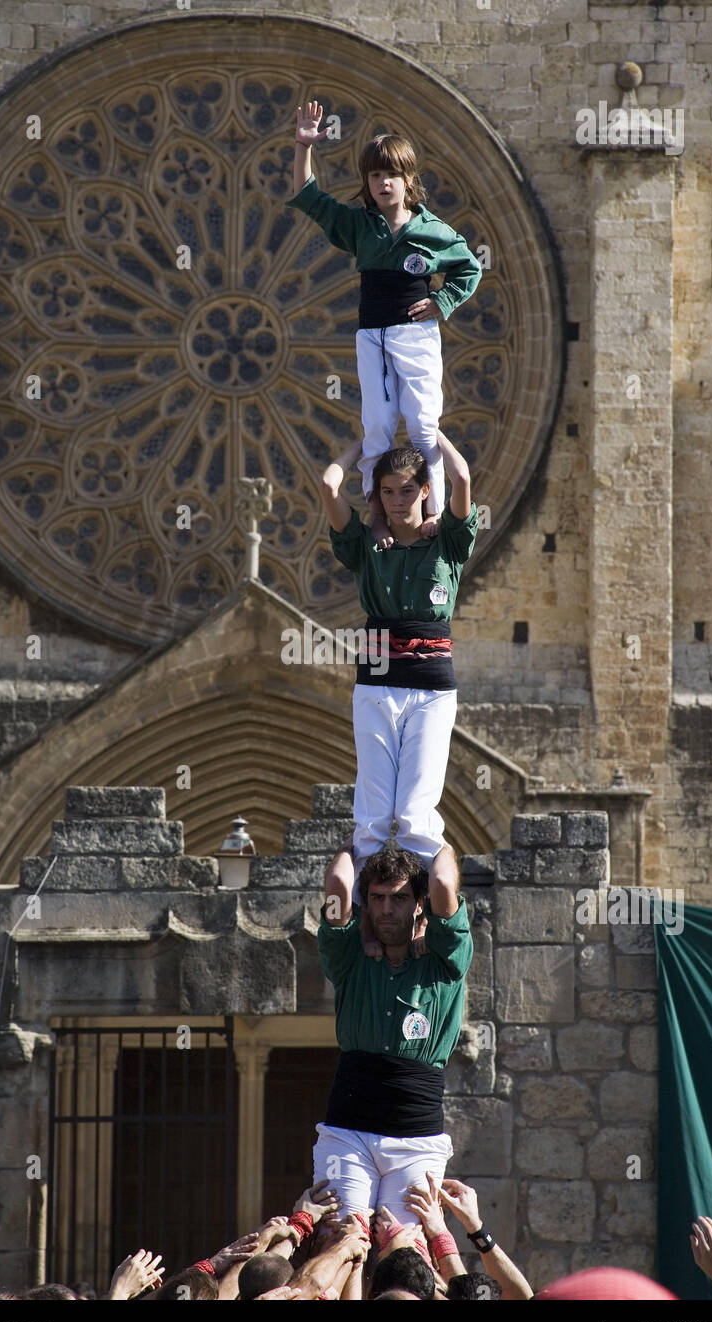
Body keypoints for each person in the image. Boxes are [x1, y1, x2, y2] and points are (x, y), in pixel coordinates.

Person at [288, 102, 481, 545]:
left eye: (391, 175)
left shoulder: (434, 231)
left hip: (415, 335)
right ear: (367, 183)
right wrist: (303, 146)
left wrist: (443, 300)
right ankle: (375, 512)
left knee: (422, 423)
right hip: (371, 335)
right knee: (376, 424)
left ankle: (432, 510)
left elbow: (469, 268)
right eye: (375, 176)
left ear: (409, 180)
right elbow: (309, 198)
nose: (382, 183)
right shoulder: (361, 226)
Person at [319, 430, 478, 895]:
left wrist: (429, 430)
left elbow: (462, 475)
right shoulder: (366, 548)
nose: (397, 500)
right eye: (387, 491)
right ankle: (363, 914)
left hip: (431, 692)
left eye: (407, 489)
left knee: (414, 814)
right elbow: (329, 486)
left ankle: (433, 913)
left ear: (425, 490)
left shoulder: (447, 543)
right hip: (375, 687)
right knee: (371, 817)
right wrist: (362, 445)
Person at [313, 839, 472, 1226]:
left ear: (419, 904)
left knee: (404, 1252)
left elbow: (444, 886)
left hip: (416, 1139)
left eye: (399, 898)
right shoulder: (350, 957)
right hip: (347, 1132)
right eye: (377, 897)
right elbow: (337, 882)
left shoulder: (445, 961)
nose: (386, 908)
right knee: (339, 1241)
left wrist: (438, 842)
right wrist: (359, 842)